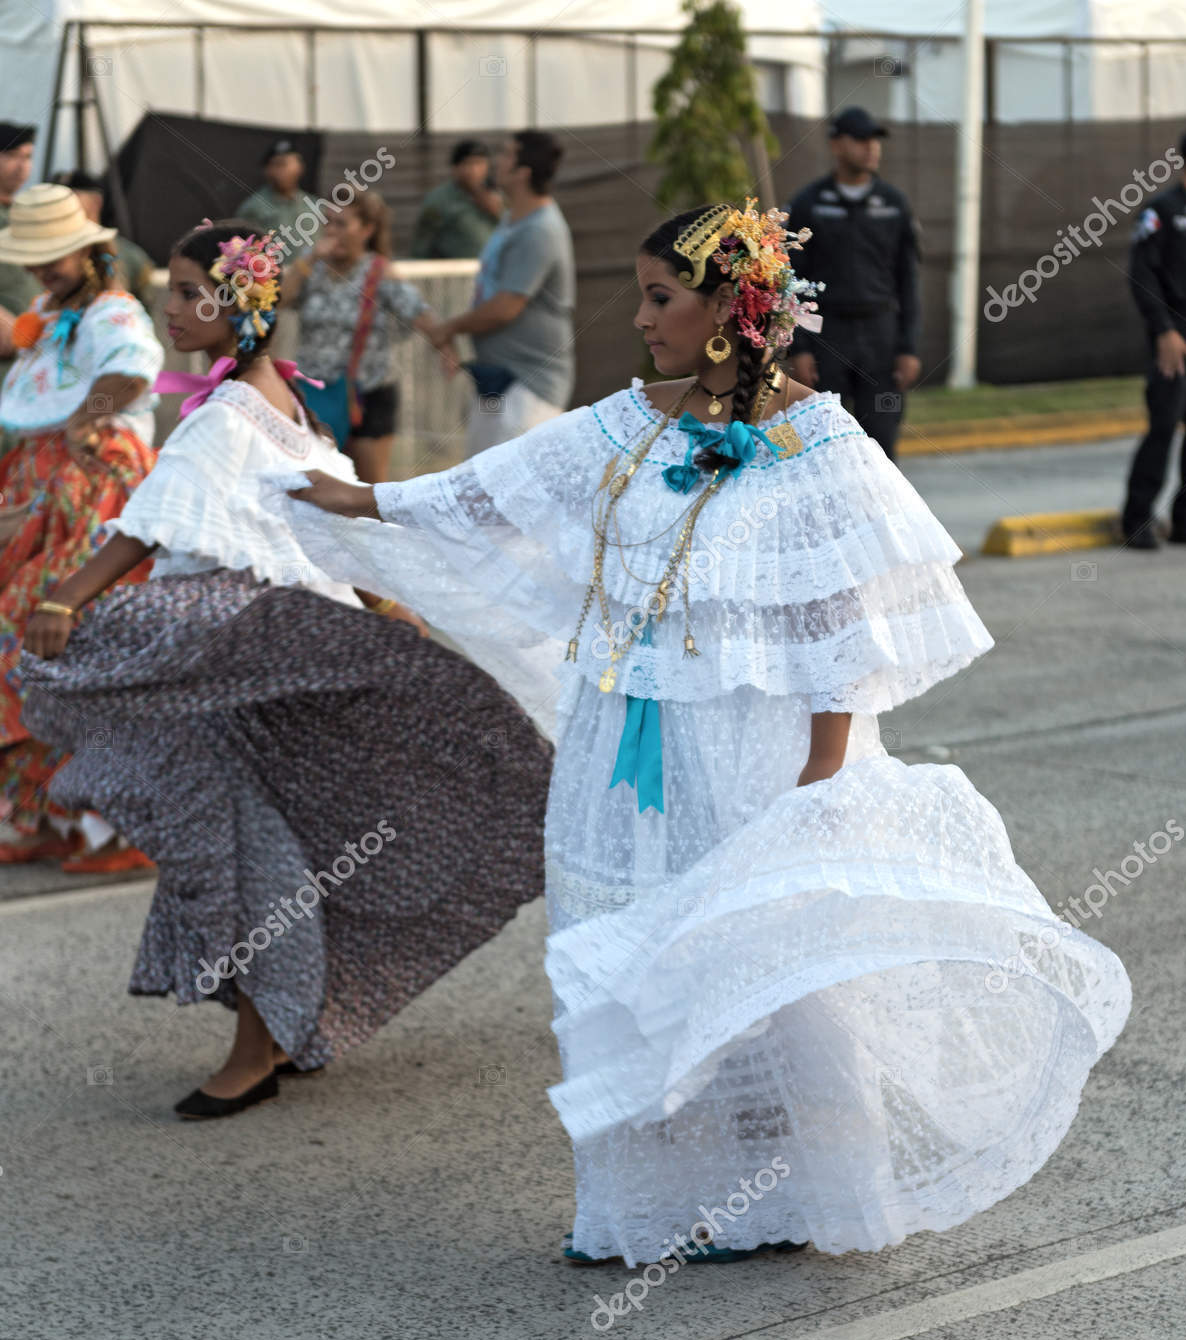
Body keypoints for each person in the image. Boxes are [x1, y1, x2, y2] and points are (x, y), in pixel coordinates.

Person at [273, 199, 1131, 1268]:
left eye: (661, 296)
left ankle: (783, 1191)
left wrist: (825, 776)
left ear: (732, 307)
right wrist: (357, 501)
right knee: (625, 954)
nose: (641, 317)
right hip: (618, 750)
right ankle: (649, 1204)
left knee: (755, 960)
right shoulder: (628, 419)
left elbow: (838, 615)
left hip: (749, 749)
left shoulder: (818, 440)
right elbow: (488, 495)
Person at [19, 219, 551, 1120]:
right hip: (260, 665)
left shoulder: (230, 416)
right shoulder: (288, 408)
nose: (176, 308)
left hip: (236, 661)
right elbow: (312, 522)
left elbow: (152, 524)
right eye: (175, 291)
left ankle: (258, 1044)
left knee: (235, 845)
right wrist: (381, 607)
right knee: (260, 843)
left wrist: (66, 600)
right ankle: (280, 1024)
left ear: (243, 305)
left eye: (195, 292)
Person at [0, 183, 161, 871]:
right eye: (35, 258)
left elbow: (130, 374)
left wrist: (87, 417)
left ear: (86, 248)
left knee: (55, 634)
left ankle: (120, 827)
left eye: (54, 256)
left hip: (88, 481)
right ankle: (43, 816)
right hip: (40, 478)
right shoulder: (48, 310)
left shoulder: (111, 310)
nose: (44, 268)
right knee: (30, 642)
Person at [279, 193, 456, 485]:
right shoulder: (312, 268)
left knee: (367, 489)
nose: (332, 231)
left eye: (342, 224)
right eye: (328, 223)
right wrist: (310, 258)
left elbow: (417, 311)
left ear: (366, 230)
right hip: (315, 398)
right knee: (317, 486)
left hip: (366, 396)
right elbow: (279, 301)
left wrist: (446, 347)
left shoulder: (378, 271)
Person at [786, 105, 921, 461]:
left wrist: (908, 347)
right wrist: (799, 347)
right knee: (822, 443)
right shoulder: (808, 204)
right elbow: (792, 282)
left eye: (875, 140)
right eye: (861, 139)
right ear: (836, 145)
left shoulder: (894, 204)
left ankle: (878, 515)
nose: (871, 148)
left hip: (881, 334)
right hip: (826, 333)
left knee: (880, 443)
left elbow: (908, 279)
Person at [430, 129, 576, 456]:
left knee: (512, 494)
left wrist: (449, 328)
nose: (497, 162)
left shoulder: (541, 229)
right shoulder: (511, 217)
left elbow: (506, 307)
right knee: (478, 483)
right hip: (499, 382)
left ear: (523, 172)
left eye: (507, 154)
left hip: (530, 387)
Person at [1121, 126, 1186, 550]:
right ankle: (1138, 519)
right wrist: (1163, 329)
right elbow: (1142, 274)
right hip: (1181, 325)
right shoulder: (1163, 210)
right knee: (1163, 423)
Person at [54, 171, 157, 317]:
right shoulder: (50, 254)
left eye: (71, 199)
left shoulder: (131, 256)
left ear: (96, 201)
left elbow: (146, 312)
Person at [410, 139, 503, 260]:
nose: (474, 170)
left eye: (479, 163)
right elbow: (422, 244)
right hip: (455, 271)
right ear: (455, 168)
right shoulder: (439, 200)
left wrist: (498, 211)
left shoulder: (498, 195)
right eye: (468, 164)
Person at [236, 137, 319, 261]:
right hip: (275, 277)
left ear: (300, 167)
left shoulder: (315, 205)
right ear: (267, 170)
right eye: (275, 165)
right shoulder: (254, 208)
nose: (280, 171)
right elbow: (243, 250)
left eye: (284, 164)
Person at [0, 121, 39, 378]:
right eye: (12, 155)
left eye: (28, 157)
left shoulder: (26, 215)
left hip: (31, 364)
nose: (22, 166)